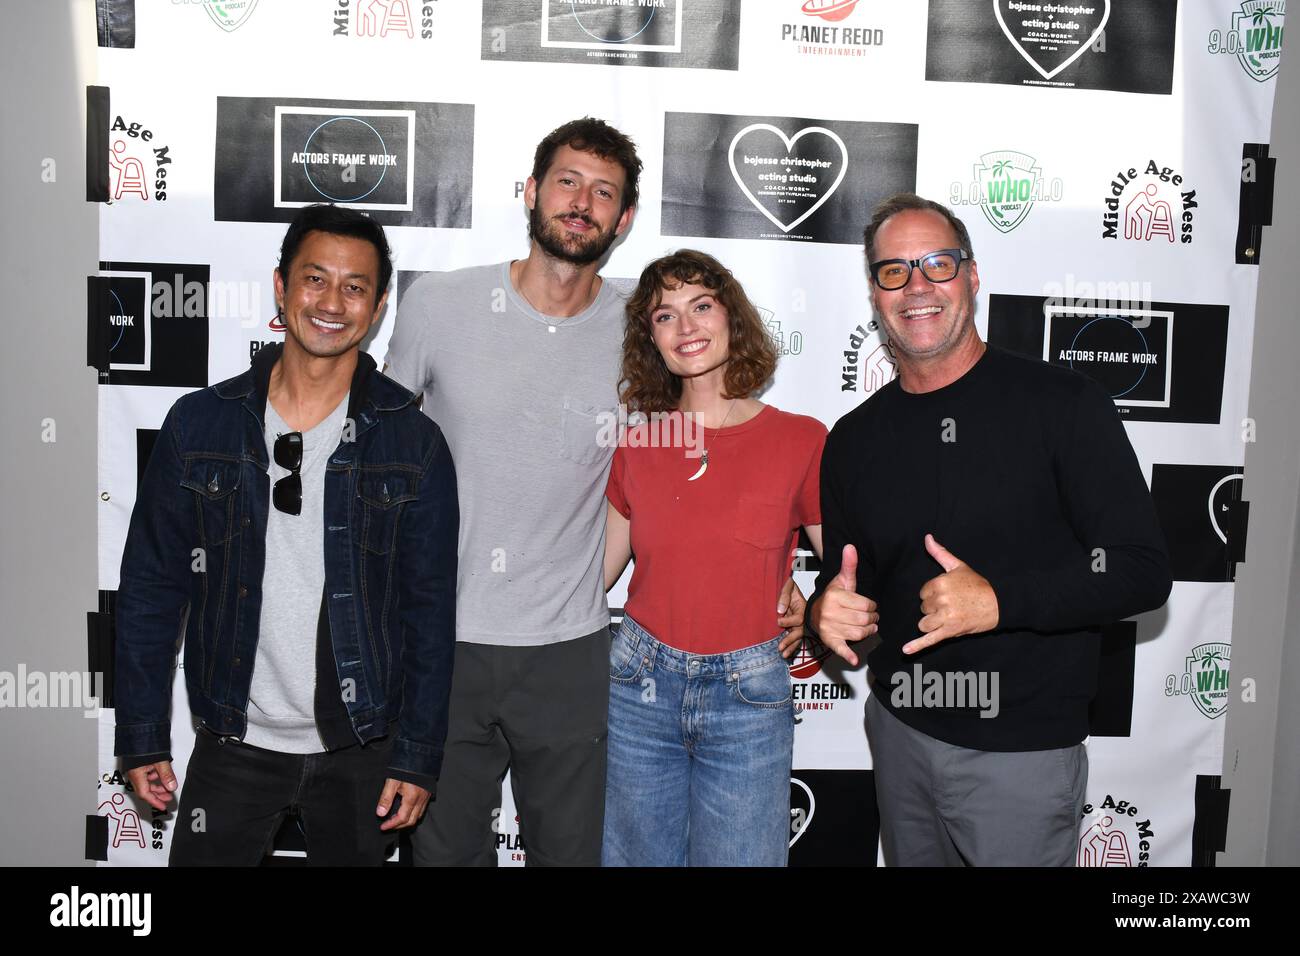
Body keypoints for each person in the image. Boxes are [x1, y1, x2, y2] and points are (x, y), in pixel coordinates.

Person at [807, 193, 1172, 867]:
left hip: (1022, 756)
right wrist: (823, 610)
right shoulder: (853, 440)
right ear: (875, 292)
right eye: (894, 270)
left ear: (972, 277)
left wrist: (1001, 601)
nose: (917, 286)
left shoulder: (1064, 406)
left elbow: (1142, 570)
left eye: (937, 264)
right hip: (899, 734)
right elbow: (847, 583)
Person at [114, 203, 459, 865]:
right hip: (232, 743)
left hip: (362, 751)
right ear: (281, 286)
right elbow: (151, 592)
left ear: (379, 304)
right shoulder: (199, 425)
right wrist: (142, 737)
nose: (333, 301)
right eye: (315, 279)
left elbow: (429, 613)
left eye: (355, 286)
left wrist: (416, 757)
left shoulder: (412, 443)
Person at [383, 117, 641, 866]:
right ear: (530, 192)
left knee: (573, 856)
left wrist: (584, 587)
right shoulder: (439, 304)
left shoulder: (642, 328)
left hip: (569, 654)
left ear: (623, 221)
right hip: (441, 648)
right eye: (567, 181)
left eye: (603, 192)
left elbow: (655, 477)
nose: (581, 201)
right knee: (443, 859)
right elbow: (385, 464)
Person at [601, 249, 834, 866]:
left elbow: (842, 566)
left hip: (750, 692)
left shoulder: (802, 438)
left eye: (701, 306)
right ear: (650, 338)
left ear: (732, 316)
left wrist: (815, 601)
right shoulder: (639, 439)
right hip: (638, 685)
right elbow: (595, 574)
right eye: (664, 316)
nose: (687, 327)